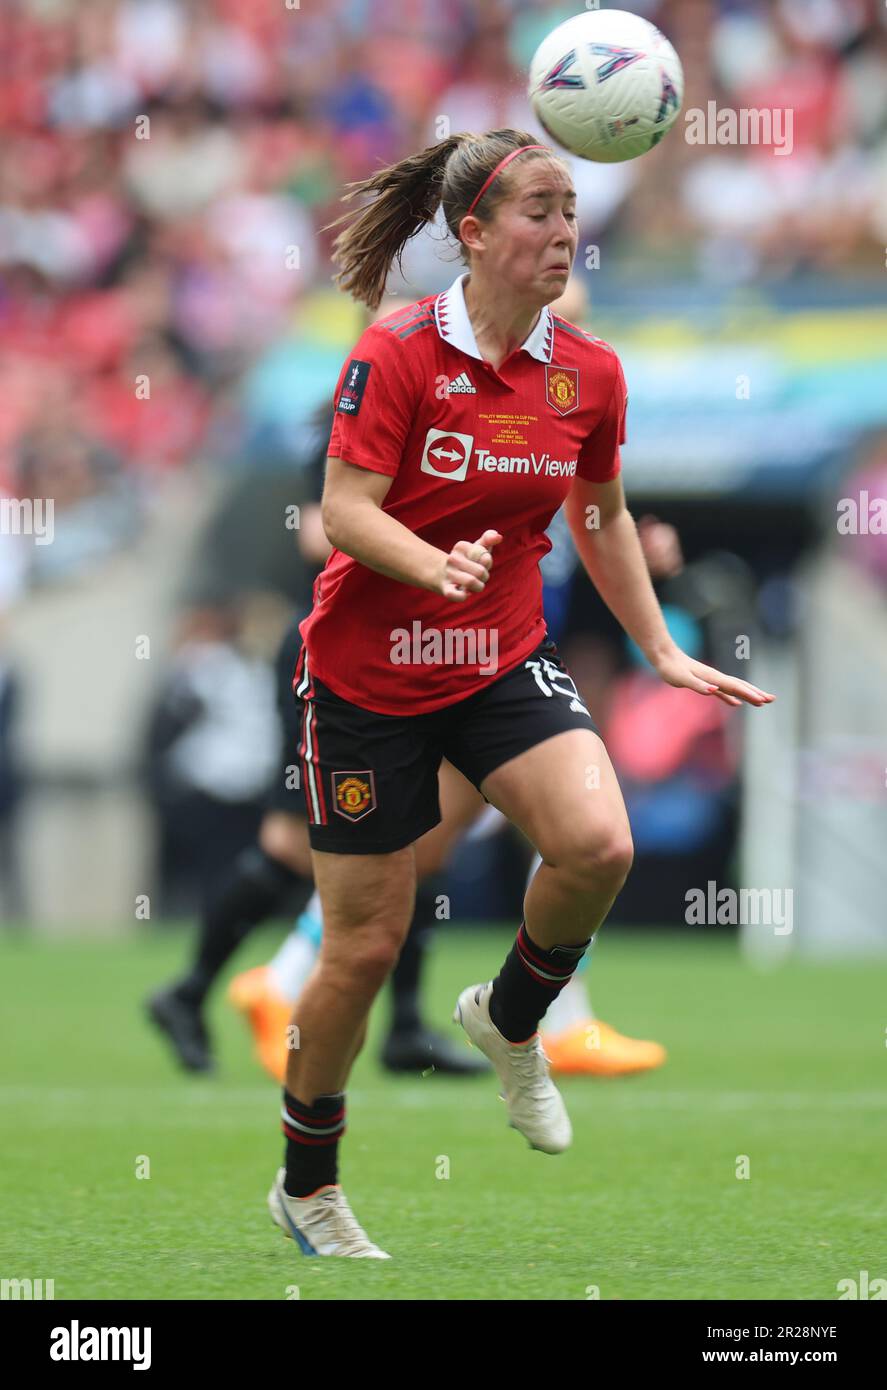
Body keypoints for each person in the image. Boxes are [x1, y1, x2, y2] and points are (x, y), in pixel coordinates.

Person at [265, 128, 773, 1259]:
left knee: (597, 843)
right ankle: (307, 1182)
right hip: (366, 679)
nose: (560, 232)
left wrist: (657, 646)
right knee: (362, 946)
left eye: (569, 210)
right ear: (474, 234)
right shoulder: (394, 353)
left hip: (496, 657)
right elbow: (346, 510)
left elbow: (596, 515)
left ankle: (507, 1019)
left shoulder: (585, 370)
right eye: (537, 211)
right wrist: (422, 561)